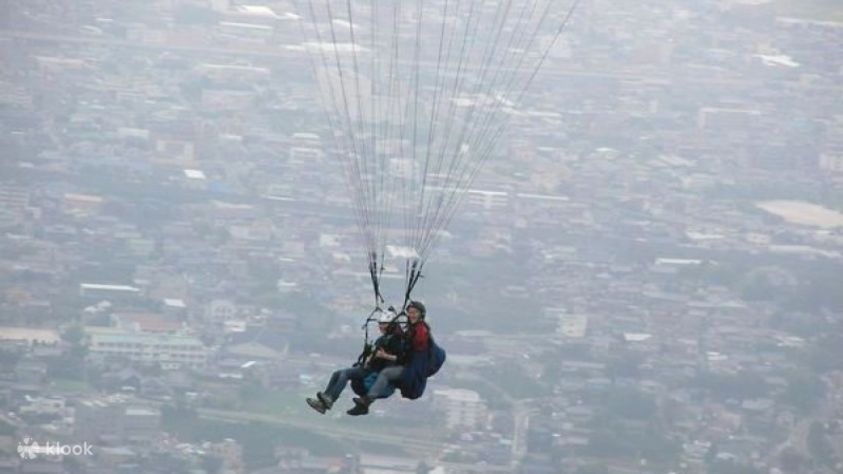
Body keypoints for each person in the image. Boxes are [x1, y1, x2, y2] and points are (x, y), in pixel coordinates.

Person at [306, 310, 403, 414]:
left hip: (374, 371)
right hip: (369, 368)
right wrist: (369, 358)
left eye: (384, 324)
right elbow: (375, 355)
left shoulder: (397, 340)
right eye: (380, 324)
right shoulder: (382, 339)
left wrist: (384, 356)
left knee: (344, 374)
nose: (381, 326)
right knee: (337, 374)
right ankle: (324, 402)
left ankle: (330, 399)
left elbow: (401, 359)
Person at [347, 300, 430, 416]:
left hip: (410, 366)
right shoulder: (411, 330)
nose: (411, 315)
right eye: (410, 312)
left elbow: (412, 351)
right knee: (365, 372)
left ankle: (367, 401)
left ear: (421, 315)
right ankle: (363, 404)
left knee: (386, 373)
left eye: (415, 313)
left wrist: (387, 355)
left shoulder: (420, 330)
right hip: (405, 363)